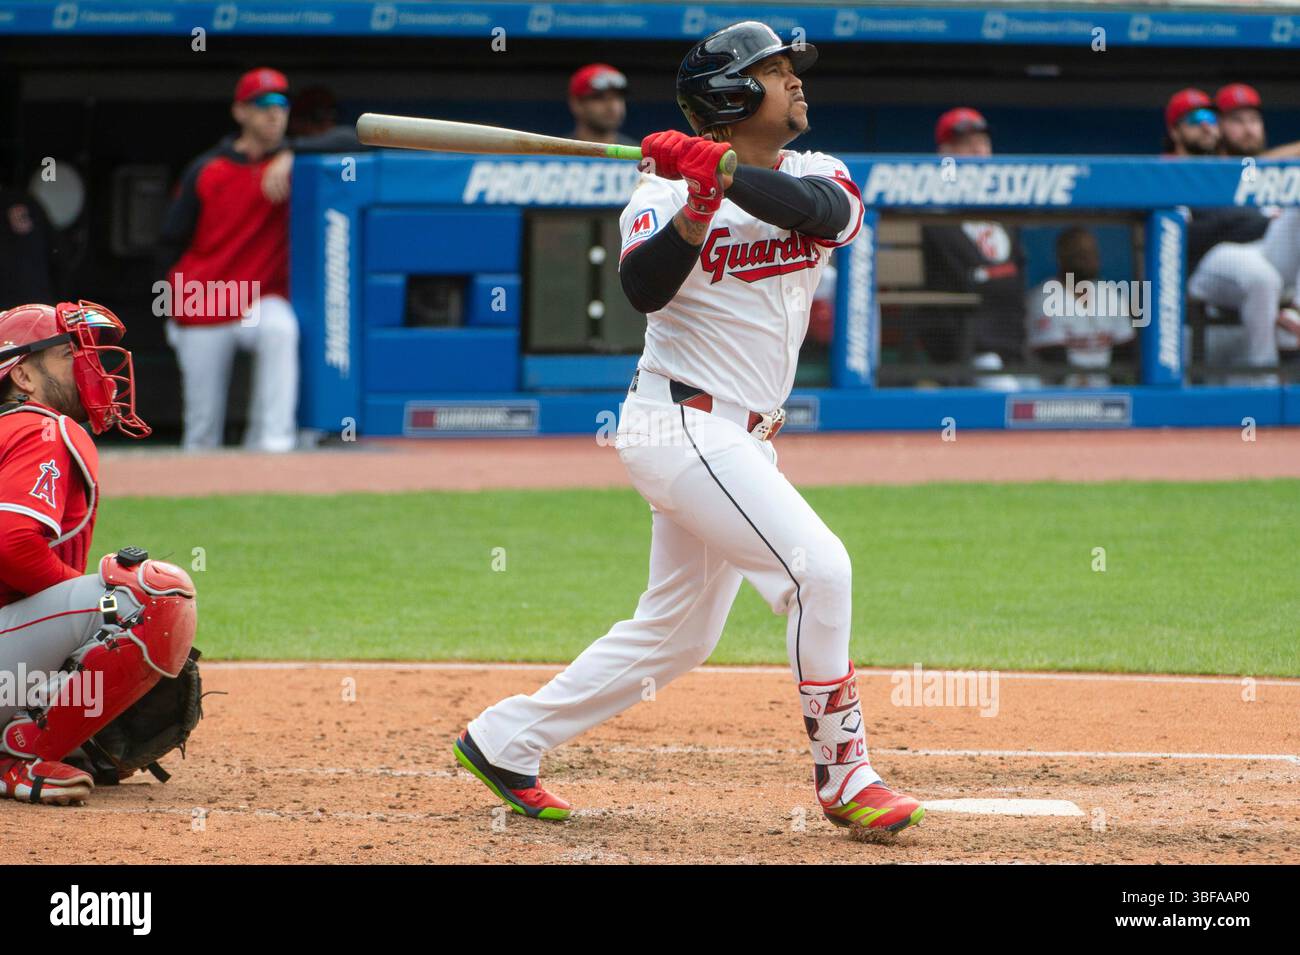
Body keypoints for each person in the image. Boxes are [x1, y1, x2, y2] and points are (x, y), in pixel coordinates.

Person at [454, 21, 925, 836]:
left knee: (675, 635)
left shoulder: (816, 171)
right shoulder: (662, 194)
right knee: (821, 571)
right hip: (679, 425)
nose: (797, 83)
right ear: (733, 97)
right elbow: (642, 288)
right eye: (777, 73)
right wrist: (697, 206)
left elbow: (831, 216)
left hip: (741, 436)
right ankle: (846, 774)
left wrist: (727, 173)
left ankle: (504, 738)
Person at [0, 300, 198, 804]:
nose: (91, 364)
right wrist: (100, 624)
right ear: (23, 374)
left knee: (105, 611)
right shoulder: (41, 427)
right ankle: (17, 756)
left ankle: (34, 725)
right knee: (148, 594)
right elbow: (11, 543)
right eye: (69, 353)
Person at [158, 67, 347, 453]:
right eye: (262, 105)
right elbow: (169, 241)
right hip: (204, 298)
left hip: (260, 297)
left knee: (281, 329)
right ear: (240, 112)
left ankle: (272, 448)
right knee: (202, 429)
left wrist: (294, 153)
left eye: (281, 104)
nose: (273, 113)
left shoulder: (297, 163)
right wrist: (165, 305)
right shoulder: (208, 169)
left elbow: (354, 140)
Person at [1172, 86, 1300, 381]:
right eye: (1237, 122)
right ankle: (1263, 379)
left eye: (1253, 121)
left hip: (1266, 253)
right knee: (1262, 278)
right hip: (1221, 261)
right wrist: (1257, 221)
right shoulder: (1205, 169)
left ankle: (1295, 312)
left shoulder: (1272, 172)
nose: (1248, 130)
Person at [921, 108, 1031, 389]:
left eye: (983, 143)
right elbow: (966, 280)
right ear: (944, 153)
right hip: (967, 350)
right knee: (1010, 395)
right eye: (968, 145)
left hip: (1015, 350)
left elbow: (1015, 275)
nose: (979, 152)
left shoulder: (1002, 210)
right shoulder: (933, 210)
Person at [1026, 227, 1136, 387]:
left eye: (1092, 252)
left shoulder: (1109, 294)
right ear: (1060, 257)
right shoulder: (1044, 297)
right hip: (1056, 395)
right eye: (1079, 253)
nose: (1088, 258)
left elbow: (1124, 352)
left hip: (1107, 394)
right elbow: (1053, 361)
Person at [567, 63, 637, 146]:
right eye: (599, 97)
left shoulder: (638, 155)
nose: (612, 106)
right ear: (576, 103)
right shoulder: (556, 152)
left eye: (618, 97)